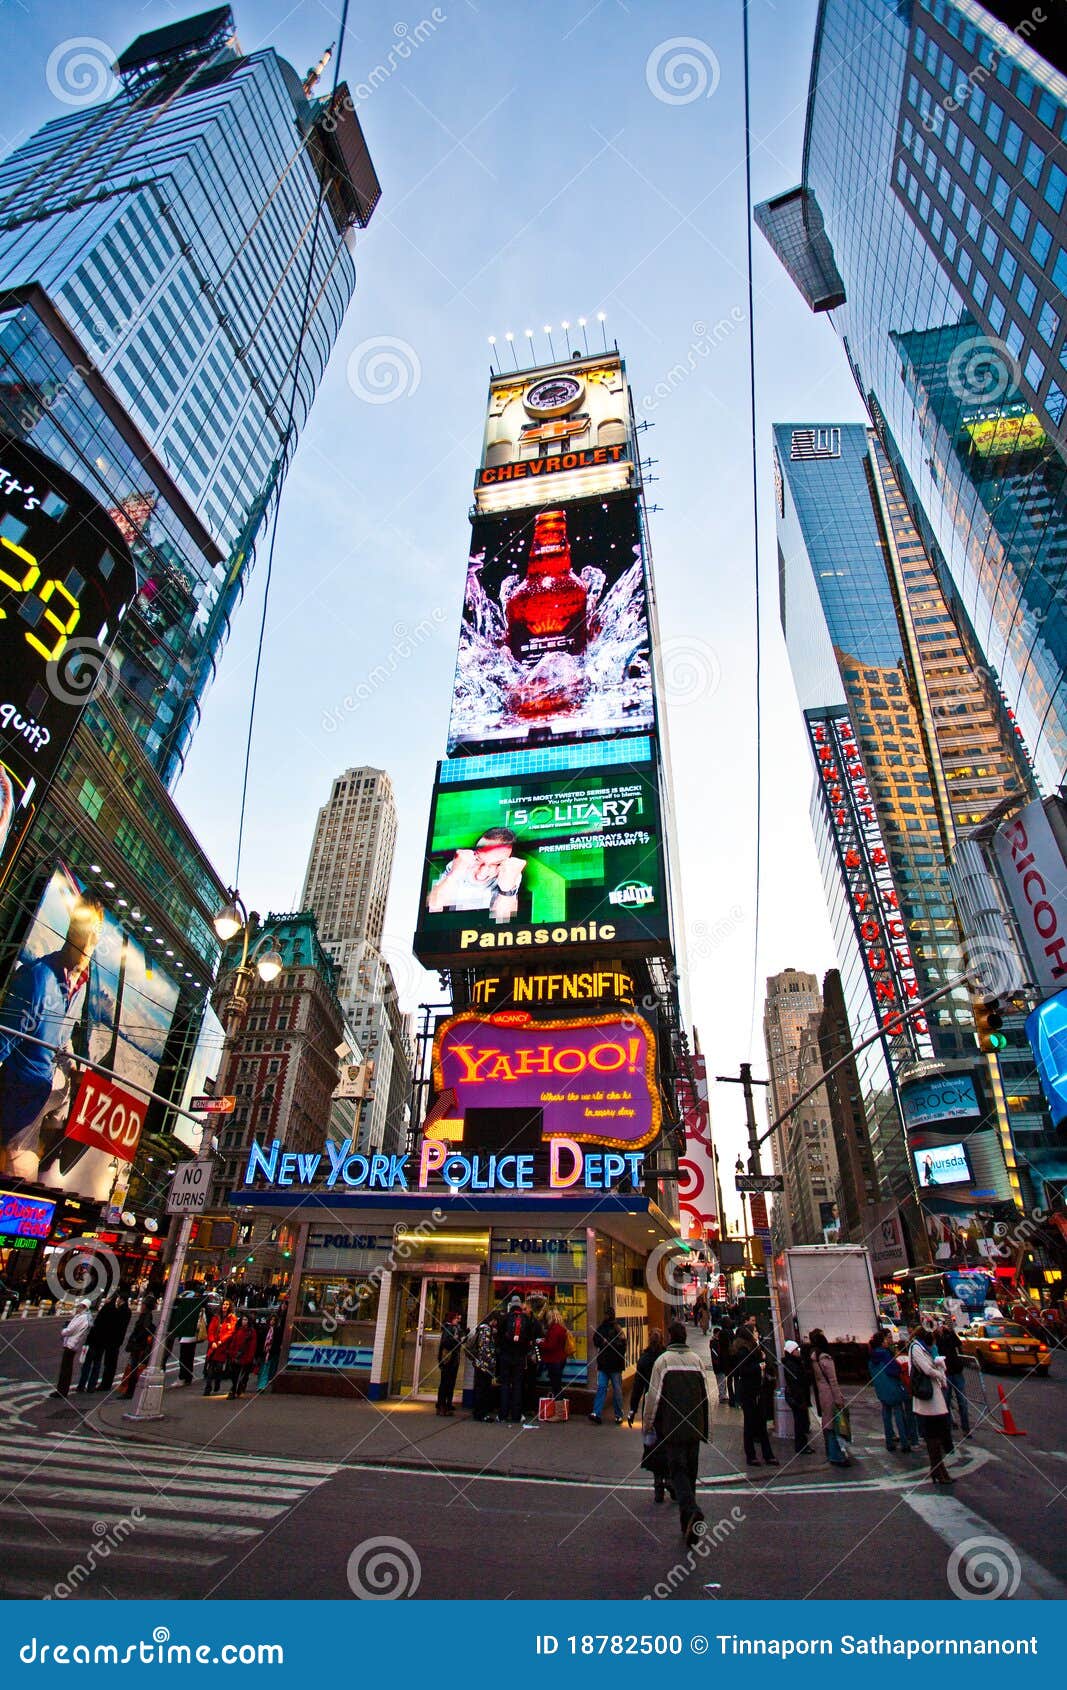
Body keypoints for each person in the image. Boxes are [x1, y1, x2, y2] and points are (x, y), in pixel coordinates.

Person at [0, 895, 104, 1177]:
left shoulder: (79, 985)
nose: (90, 936)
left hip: (41, 1096)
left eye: (96, 929)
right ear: (72, 929)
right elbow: (4, 1040)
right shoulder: (38, 978)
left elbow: (62, 1036)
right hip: (16, 1101)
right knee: (18, 1179)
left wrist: (73, 1068)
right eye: (84, 926)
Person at [642, 1319, 714, 1545]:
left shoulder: (663, 1362)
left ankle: (691, 1510)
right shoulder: (697, 1361)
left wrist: (648, 1424)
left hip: (672, 1428)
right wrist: (706, 1427)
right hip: (694, 1427)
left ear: (671, 1338)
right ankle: (688, 1526)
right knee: (691, 1473)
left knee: (678, 1471)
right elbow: (706, 1396)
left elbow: (652, 1397)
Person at [425, 829, 526, 924]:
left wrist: (506, 889)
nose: (482, 873)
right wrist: (454, 874)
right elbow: (434, 906)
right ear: (473, 854)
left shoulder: (510, 873)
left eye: (496, 864)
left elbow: (503, 920)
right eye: (478, 860)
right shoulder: (460, 864)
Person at [909, 1323, 954, 1485]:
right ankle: (938, 1470)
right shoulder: (916, 1349)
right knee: (933, 1437)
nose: (935, 1343)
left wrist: (941, 1368)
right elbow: (926, 1370)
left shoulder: (927, 1350)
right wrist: (940, 1375)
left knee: (938, 1435)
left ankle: (938, 1469)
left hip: (934, 1397)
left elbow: (936, 1366)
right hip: (926, 1399)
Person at [732, 1317, 778, 1467]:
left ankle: (767, 1454)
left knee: (760, 1424)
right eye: (755, 1331)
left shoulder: (754, 1348)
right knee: (751, 1424)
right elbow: (743, 1370)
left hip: (757, 1390)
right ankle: (752, 1455)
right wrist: (760, 1367)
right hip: (749, 1392)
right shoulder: (743, 1350)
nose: (757, 1333)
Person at [868, 1329, 919, 1452]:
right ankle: (904, 1442)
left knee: (886, 1414)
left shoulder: (872, 1356)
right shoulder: (885, 1354)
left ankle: (889, 1441)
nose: (888, 1341)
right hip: (893, 1388)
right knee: (899, 1414)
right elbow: (894, 1370)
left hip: (881, 1389)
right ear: (882, 1341)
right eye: (886, 1339)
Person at [809, 1329, 850, 1468]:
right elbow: (833, 1380)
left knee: (827, 1423)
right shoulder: (825, 1359)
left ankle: (831, 1452)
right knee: (835, 1424)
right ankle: (836, 1454)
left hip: (822, 1393)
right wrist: (839, 1399)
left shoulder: (814, 1358)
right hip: (830, 1394)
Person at [495, 1296, 538, 1423]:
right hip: (519, 1358)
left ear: (510, 1305)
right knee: (518, 1386)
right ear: (520, 1306)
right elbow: (530, 1339)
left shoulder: (505, 1318)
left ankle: (502, 1414)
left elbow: (499, 1337)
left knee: (505, 1385)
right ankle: (516, 1415)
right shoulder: (526, 1319)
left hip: (505, 1357)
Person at [590, 1306, 627, 1424]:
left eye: (607, 1314)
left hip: (607, 1363)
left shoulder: (607, 1328)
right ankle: (616, 1414)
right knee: (614, 1389)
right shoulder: (617, 1329)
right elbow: (622, 1345)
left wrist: (605, 1342)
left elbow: (596, 1339)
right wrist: (608, 1342)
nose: (606, 1316)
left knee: (605, 1388)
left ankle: (600, 1412)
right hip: (613, 1364)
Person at [936, 1317, 971, 1436]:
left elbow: (958, 1343)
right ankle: (948, 1426)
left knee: (962, 1401)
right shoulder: (935, 1338)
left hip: (956, 1371)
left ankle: (965, 1427)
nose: (942, 1326)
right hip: (945, 1373)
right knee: (945, 1401)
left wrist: (950, 1332)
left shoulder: (949, 1335)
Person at [51, 1299, 93, 1398]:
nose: (77, 1308)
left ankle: (62, 1391)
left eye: (80, 1306)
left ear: (84, 1307)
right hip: (74, 1344)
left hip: (71, 1344)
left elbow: (71, 1330)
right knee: (67, 1368)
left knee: (65, 1368)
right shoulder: (85, 1317)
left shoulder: (82, 1318)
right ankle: (62, 1390)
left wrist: (64, 1330)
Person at [167, 1281, 206, 1386]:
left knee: (184, 1356)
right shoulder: (200, 1299)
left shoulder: (188, 1297)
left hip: (187, 1331)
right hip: (193, 1332)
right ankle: (187, 1376)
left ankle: (183, 1376)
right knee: (189, 1355)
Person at [119, 1295, 156, 1399]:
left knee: (134, 1368)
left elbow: (145, 1329)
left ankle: (130, 1390)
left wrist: (136, 1339)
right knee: (133, 1367)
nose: (142, 1306)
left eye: (143, 1304)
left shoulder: (146, 1316)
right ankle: (129, 1389)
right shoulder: (145, 1315)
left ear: (146, 1306)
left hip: (139, 1346)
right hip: (139, 1345)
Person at [781, 1339, 814, 1454]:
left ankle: (802, 1445)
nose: (798, 1351)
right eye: (796, 1349)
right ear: (791, 1351)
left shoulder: (793, 1363)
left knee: (800, 1421)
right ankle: (801, 1445)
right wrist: (800, 1399)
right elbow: (796, 1382)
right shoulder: (792, 1365)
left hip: (798, 1397)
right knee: (800, 1421)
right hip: (798, 1398)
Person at [628, 1328, 666, 1427]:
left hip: (649, 1401)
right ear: (662, 1340)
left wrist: (633, 1409)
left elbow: (638, 1387)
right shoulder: (666, 1359)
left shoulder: (644, 1360)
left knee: (648, 1436)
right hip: (665, 1402)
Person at [203, 1299, 236, 1396]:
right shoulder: (216, 1317)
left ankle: (217, 1382)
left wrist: (221, 1341)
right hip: (214, 1347)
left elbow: (230, 1332)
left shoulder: (232, 1318)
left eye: (227, 1304)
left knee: (219, 1368)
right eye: (223, 1304)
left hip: (223, 1347)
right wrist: (212, 1341)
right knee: (210, 1369)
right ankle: (207, 1388)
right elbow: (211, 1330)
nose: (225, 1306)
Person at [469, 1313, 498, 1421]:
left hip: (479, 1364)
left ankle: (478, 1412)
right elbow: (485, 1348)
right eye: (496, 1322)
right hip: (484, 1365)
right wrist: (492, 1361)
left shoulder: (480, 1329)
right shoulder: (486, 1330)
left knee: (479, 1388)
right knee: (484, 1389)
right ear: (493, 1320)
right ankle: (481, 1414)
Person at [436, 1310, 466, 1415]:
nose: (458, 1319)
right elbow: (446, 1343)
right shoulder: (448, 1328)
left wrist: (462, 1337)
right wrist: (457, 1340)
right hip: (448, 1361)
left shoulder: (455, 1328)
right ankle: (442, 1406)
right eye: (456, 1318)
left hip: (452, 1360)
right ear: (451, 1319)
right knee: (446, 1383)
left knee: (450, 1382)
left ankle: (447, 1404)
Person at [539, 1305, 570, 1402]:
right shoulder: (561, 1328)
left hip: (554, 1360)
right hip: (560, 1359)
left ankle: (558, 1408)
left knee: (556, 1386)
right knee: (557, 1385)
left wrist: (540, 1343)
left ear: (550, 1318)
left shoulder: (554, 1329)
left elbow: (550, 1346)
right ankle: (559, 1407)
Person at [225, 1313, 258, 1399]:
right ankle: (235, 1388)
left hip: (245, 1356)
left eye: (246, 1320)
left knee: (242, 1375)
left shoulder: (251, 1332)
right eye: (243, 1320)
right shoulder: (238, 1330)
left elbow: (252, 1346)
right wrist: (231, 1352)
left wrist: (250, 1357)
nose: (244, 1322)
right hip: (236, 1355)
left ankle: (235, 1389)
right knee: (235, 1374)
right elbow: (233, 1342)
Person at [709, 1321, 733, 1406]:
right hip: (718, 1366)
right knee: (721, 1380)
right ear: (715, 1334)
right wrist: (718, 1363)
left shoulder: (715, 1342)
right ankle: (722, 1396)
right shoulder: (714, 1343)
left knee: (722, 1380)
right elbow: (715, 1355)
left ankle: (723, 1395)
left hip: (719, 1365)